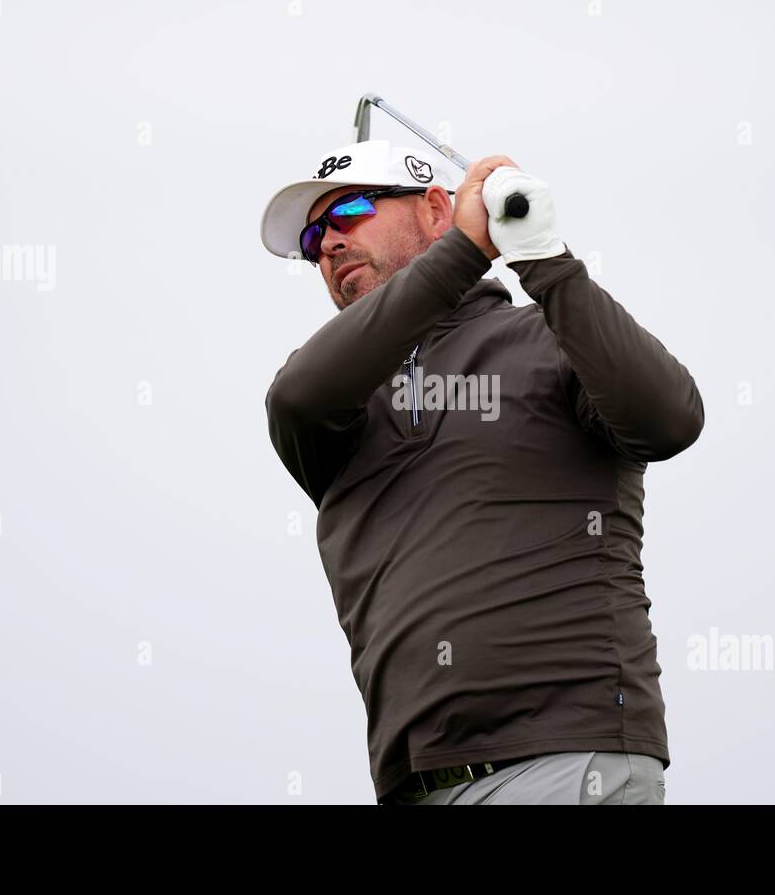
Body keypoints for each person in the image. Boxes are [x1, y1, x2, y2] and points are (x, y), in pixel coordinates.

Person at [260, 139, 704, 804]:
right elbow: (299, 397)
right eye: (313, 235)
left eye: (348, 210)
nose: (326, 242)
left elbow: (670, 419)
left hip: (564, 758)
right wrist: (466, 250)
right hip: (416, 783)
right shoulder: (336, 402)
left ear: (437, 210)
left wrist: (545, 261)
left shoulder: (551, 338)